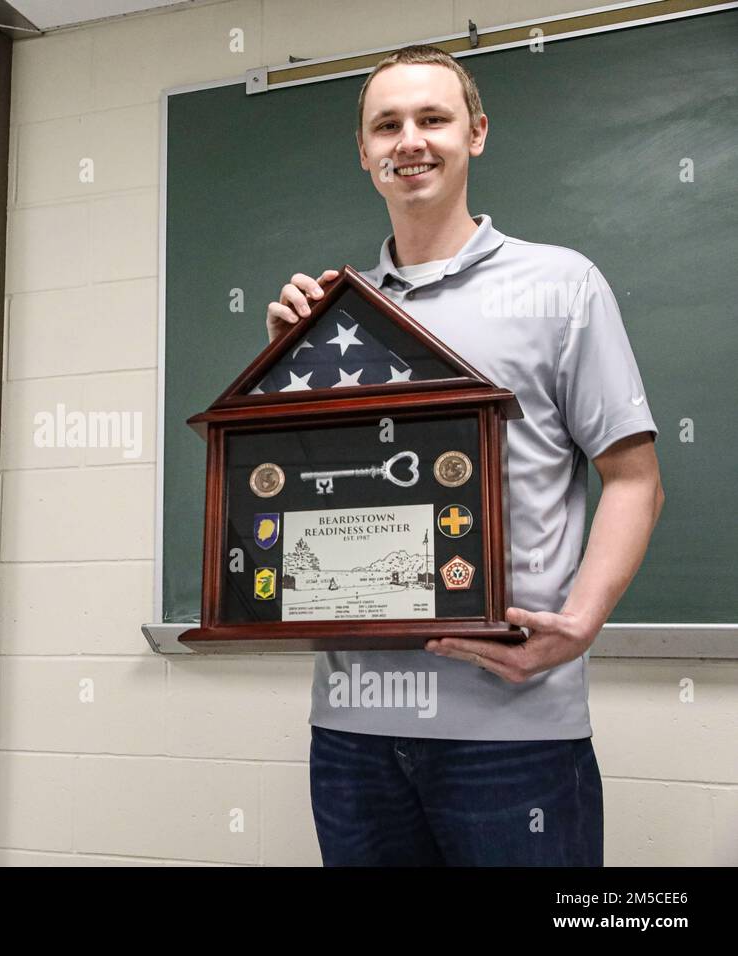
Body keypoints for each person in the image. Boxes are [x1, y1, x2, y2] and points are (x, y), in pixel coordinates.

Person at [264, 47, 664, 865]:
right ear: (365, 150)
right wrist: (282, 375)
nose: (409, 140)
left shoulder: (561, 285)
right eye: (387, 124)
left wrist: (579, 625)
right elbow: (297, 501)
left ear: (476, 133)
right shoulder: (336, 319)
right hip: (352, 728)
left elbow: (634, 477)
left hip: (513, 730)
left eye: (433, 119)